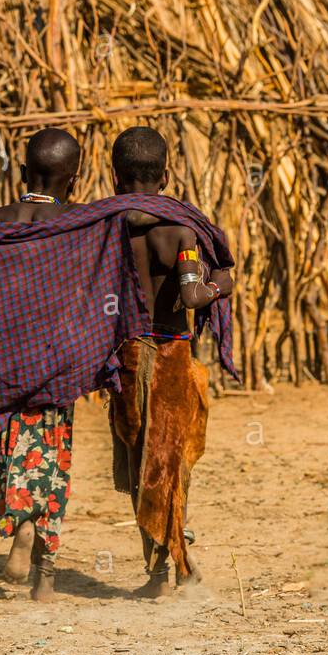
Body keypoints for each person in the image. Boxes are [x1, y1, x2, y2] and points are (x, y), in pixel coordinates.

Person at [109, 126, 233, 598]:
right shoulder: (180, 230)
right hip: (172, 358)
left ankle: (163, 564)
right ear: (166, 173)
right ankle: (171, 563)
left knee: (142, 459)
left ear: (115, 176)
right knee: (170, 462)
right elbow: (191, 295)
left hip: (126, 358)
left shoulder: (106, 229)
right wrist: (223, 283)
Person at [0, 127, 82, 603]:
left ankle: (16, 519)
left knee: (9, 450)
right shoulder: (83, 223)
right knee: (51, 459)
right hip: (57, 364)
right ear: (75, 178)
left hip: (3, 362)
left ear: (22, 172)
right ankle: (45, 576)